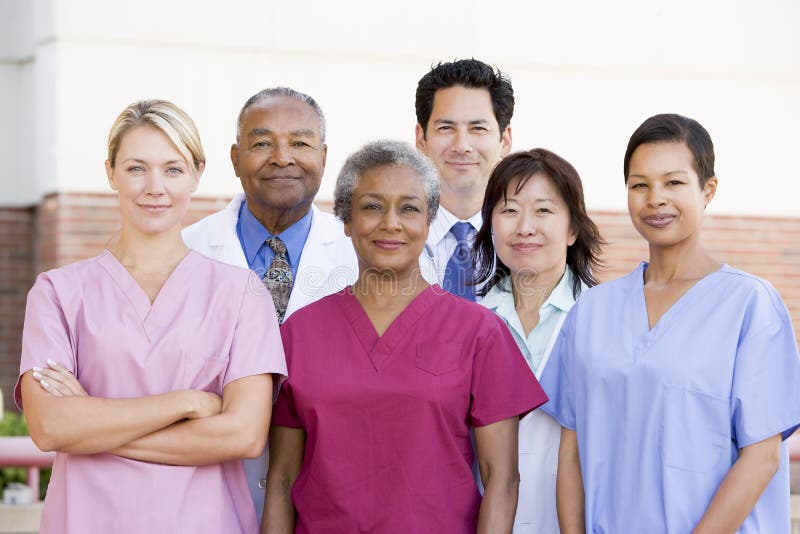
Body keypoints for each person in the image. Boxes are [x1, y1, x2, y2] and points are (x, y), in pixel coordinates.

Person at [16, 99, 287, 534]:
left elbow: (242, 435)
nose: (154, 187)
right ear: (110, 173)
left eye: (173, 169)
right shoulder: (58, 294)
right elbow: (50, 427)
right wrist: (187, 403)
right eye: (136, 168)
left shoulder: (240, 294)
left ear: (197, 174)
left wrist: (92, 424)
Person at [263, 140, 547, 533]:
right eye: (372, 206)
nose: (391, 223)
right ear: (346, 220)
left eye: (409, 208)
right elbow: (281, 480)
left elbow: (502, 478)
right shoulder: (299, 333)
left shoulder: (479, 332)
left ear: (429, 222)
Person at [541, 113, 800, 533]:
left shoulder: (750, 306)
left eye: (674, 183)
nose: (655, 198)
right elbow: (571, 450)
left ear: (708, 190)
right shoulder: (592, 313)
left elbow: (763, 456)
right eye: (639, 185)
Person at [182, 87, 357, 517]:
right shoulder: (185, 252)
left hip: (328, 502)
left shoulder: (361, 256)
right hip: (204, 498)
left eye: (300, 142)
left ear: (324, 155)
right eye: (261, 143)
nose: (282, 157)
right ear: (235, 157)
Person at [473, 148, 603, 532]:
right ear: (491, 225)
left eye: (544, 211)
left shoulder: (603, 318)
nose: (525, 227)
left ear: (573, 229)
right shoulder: (470, 323)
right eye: (510, 210)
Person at [415, 58, 514, 299]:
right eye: (446, 128)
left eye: (478, 129)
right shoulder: (387, 237)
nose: (462, 146)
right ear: (421, 139)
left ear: (505, 140)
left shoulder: (527, 238)